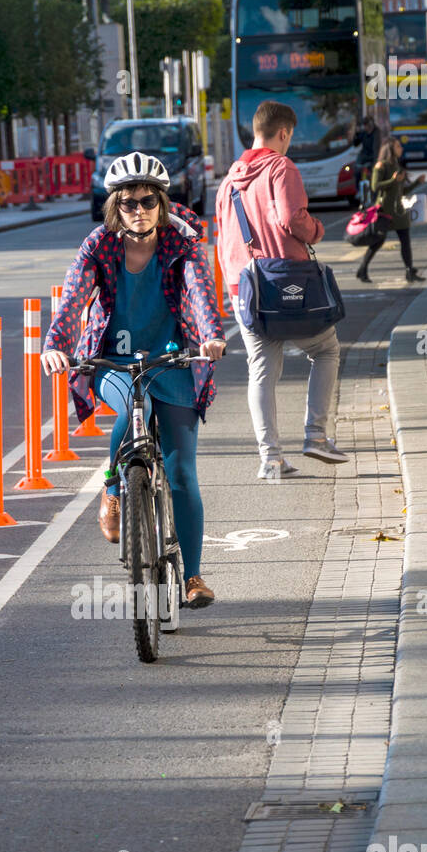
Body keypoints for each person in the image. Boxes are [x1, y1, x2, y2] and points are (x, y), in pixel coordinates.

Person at [42, 153, 225, 609]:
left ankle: (194, 577)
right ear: (115, 205)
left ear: (161, 202)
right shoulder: (99, 245)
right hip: (113, 360)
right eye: (127, 202)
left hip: (174, 359)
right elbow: (73, 296)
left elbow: (199, 292)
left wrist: (211, 337)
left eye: (147, 200)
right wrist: (55, 343)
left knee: (182, 472)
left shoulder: (182, 242)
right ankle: (112, 488)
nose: (138, 209)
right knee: (129, 407)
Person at [215, 99, 346, 479]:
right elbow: (292, 218)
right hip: (290, 283)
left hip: (248, 290)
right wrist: (316, 231)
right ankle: (316, 436)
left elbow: (223, 242)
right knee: (325, 350)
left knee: (261, 371)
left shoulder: (228, 182)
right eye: (290, 136)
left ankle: (270, 458)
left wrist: (235, 289)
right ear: (284, 132)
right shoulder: (281, 167)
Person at [356, 138, 426, 284]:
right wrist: (393, 180)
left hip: (398, 211)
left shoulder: (397, 165)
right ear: (391, 149)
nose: (401, 149)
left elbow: (401, 190)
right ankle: (362, 269)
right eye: (398, 146)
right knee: (378, 241)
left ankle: (409, 270)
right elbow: (375, 186)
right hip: (384, 211)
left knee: (405, 239)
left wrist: (417, 183)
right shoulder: (381, 166)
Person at [353, 114, 380, 207]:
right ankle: (358, 191)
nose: (366, 128)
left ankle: (375, 196)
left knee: (373, 175)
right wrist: (356, 134)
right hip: (364, 156)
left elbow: (376, 149)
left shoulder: (376, 133)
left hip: (372, 156)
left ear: (371, 125)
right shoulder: (363, 133)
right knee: (356, 170)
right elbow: (356, 143)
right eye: (364, 126)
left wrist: (374, 165)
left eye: (367, 125)